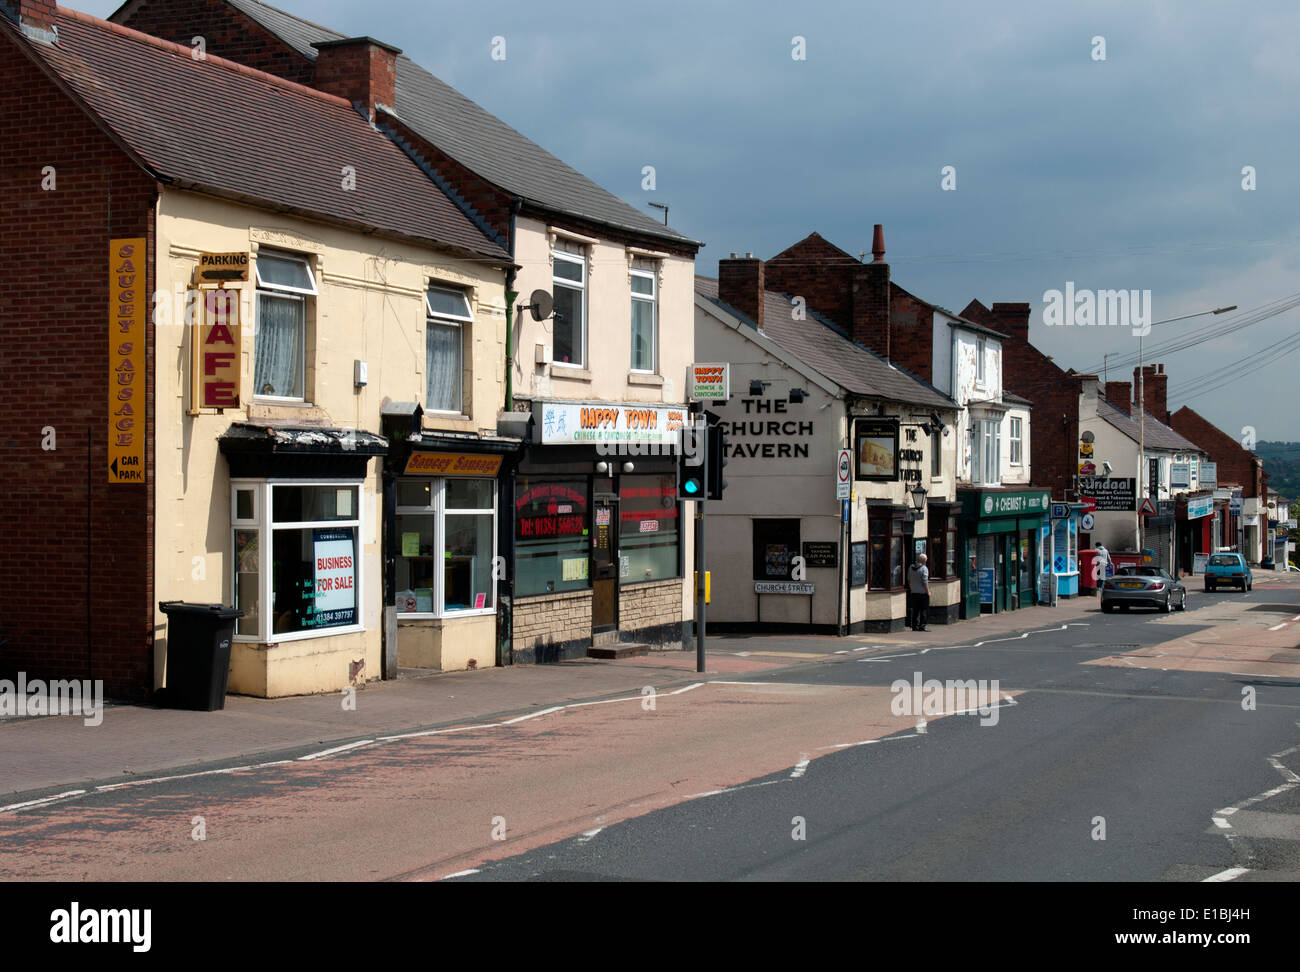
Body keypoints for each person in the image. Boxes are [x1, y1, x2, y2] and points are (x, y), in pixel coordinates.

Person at [908, 554, 931, 631]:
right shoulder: (924, 569)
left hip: (914, 592)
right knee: (923, 610)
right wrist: (928, 592)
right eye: (926, 560)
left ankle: (914, 626)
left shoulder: (911, 567)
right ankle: (922, 626)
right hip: (922, 593)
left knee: (915, 610)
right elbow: (925, 581)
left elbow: (909, 579)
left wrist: (912, 588)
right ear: (924, 560)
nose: (926, 561)